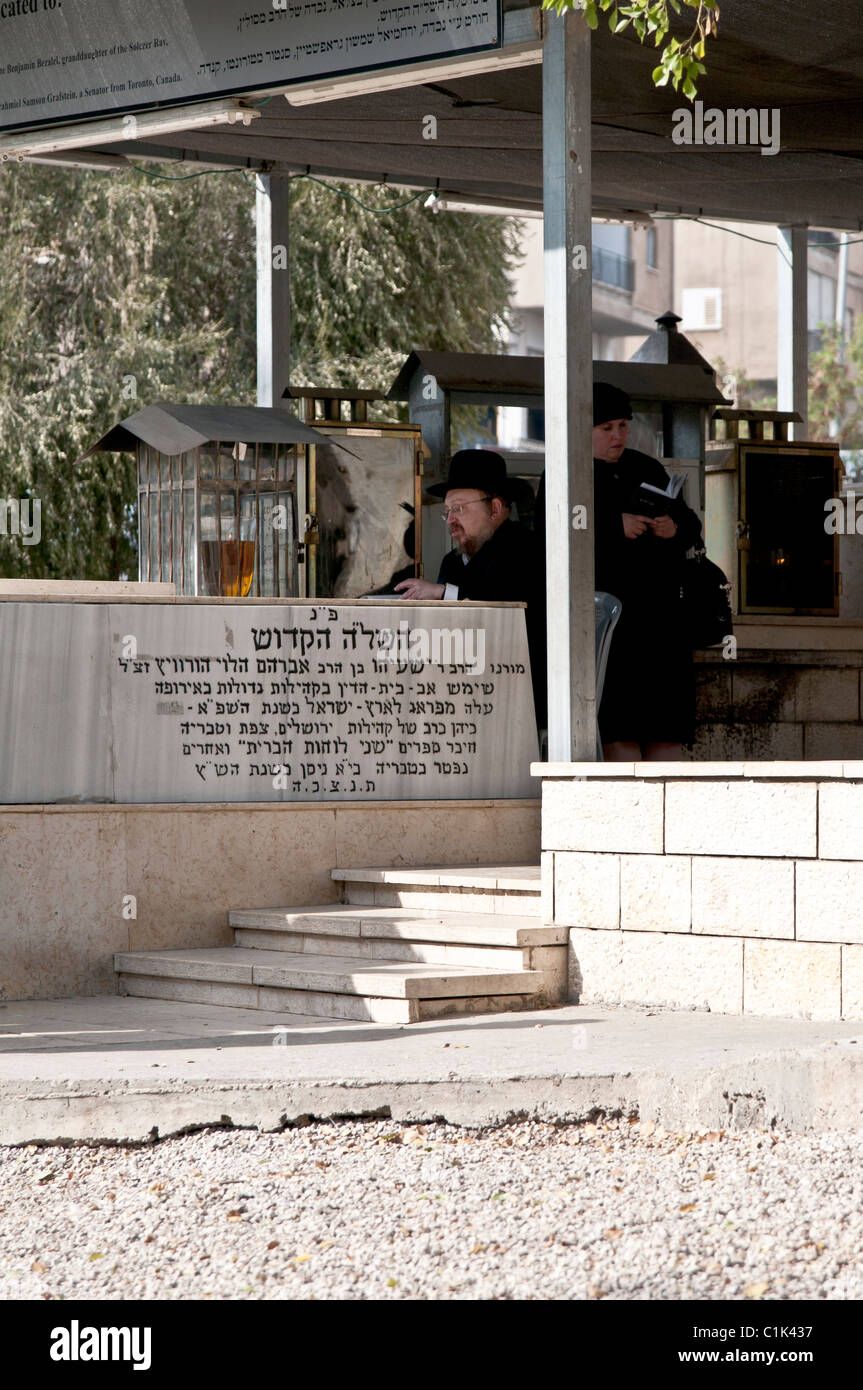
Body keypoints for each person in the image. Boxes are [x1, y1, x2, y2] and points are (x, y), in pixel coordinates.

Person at [395, 449, 547, 726]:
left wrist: (442, 594)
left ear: (496, 509)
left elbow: (506, 611)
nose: (451, 520)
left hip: (519, 693)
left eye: (460, 509)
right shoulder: (452, 562)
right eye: (447, 512)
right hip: (463, 690)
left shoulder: (524, 550)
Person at [592, 382, 702, 761]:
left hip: (660, 624)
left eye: (623, 426)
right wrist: (613, 525)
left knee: (665, 728)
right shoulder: (568, 471)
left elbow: (690, 524)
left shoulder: (646, 467)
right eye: (607, 428)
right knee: (618, 730)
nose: (617, 436)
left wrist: (674, 528)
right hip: (611, 628)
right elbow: (553, 535)